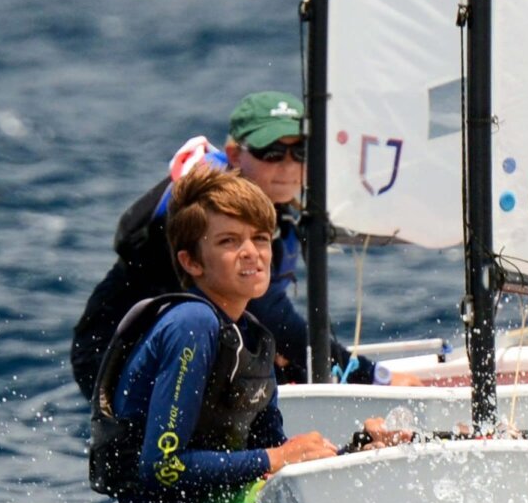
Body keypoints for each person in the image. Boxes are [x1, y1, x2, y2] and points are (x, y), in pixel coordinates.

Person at [87, 163, 410, 503]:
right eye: (228, 241)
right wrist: (278, 458)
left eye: (260, 238)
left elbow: (273, 457)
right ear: (191, 261)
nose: (251, 252)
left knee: (372, 473)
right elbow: (162, 467)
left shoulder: (255, 338)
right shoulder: (191, 325)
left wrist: (356, 452)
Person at [70, 90, 419, 397]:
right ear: (235, 155)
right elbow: (272, 315)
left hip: (193, 344)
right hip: (114, 356)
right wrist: (373, 377)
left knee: (284, 365)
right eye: (272, 152)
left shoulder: (273, 211)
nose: (288, 166)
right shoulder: (212, 208)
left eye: (301, 152)